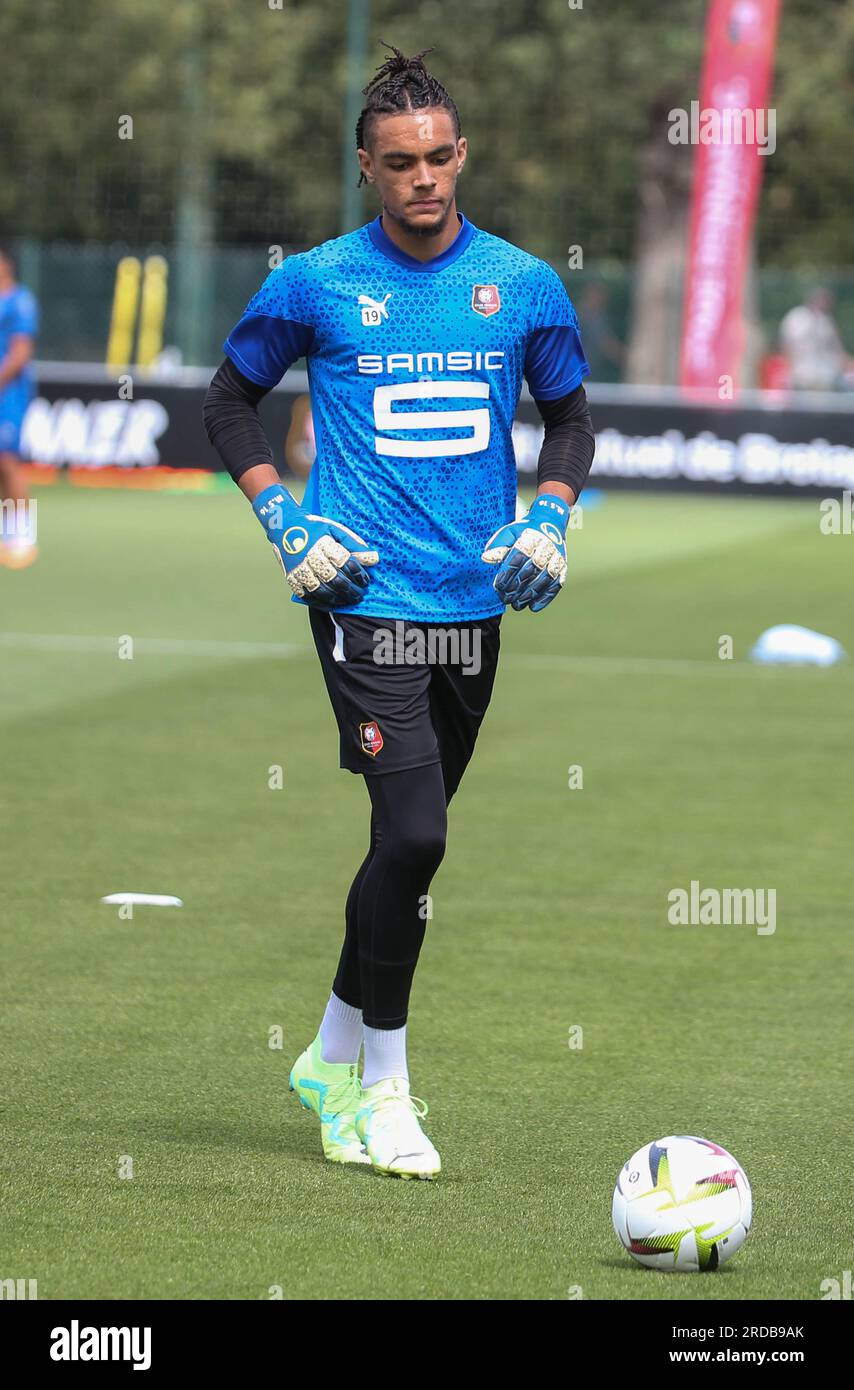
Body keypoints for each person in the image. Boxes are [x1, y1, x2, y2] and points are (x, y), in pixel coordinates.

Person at [203, 44, 595, 1180]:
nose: (423, 178)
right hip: (359, 594)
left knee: (401, 854)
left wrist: (551, 515)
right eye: (399, 163)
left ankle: (324, 1053)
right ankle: (383, 1090)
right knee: (416, 832)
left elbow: (570, 419)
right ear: (365, 170)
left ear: (459, 155)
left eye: (438, 158)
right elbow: (225, 401)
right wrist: (284, 521)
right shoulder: (314, 282)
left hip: (475, 600)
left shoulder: (522, 285)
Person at [0, 243, 39, 568]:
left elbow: (20, 352)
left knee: (7, 461)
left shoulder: (20, 301)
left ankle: (24, 536)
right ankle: (6, 533)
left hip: (8, 394)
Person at [779, 288, 852, 391]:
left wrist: (847, 363)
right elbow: (786, 345)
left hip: (826, 376)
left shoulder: (827, 321)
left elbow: (837, 350)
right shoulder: (796, 317)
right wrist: (788, 369)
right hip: (802, 375)